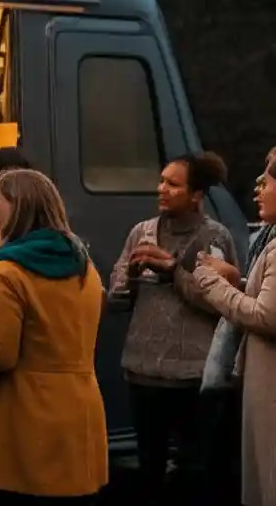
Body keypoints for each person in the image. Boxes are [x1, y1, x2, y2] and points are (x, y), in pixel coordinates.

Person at [0, 169, 108, 504]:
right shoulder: (84, 265)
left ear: (18, 207)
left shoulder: (7, 271)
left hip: (27, 413)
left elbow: (0, 353)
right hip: (82, 407)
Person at [107, 152, 239, 497]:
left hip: (190, 377)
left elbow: (221, 301)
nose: (162, 189)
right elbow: (114, 300)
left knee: (192, 470)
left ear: (196, 195)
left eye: (173, 184)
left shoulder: (213, 237)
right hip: (142, 370)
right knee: (148, 467)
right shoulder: (142, 233)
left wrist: (173, 271)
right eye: (162, 180)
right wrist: (132, 278)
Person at [194, 154, 276, 506]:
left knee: (273, 476)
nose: (258, 192)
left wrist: (209, 281)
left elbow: (267, 316)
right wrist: (240, 280)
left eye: (266, 184)